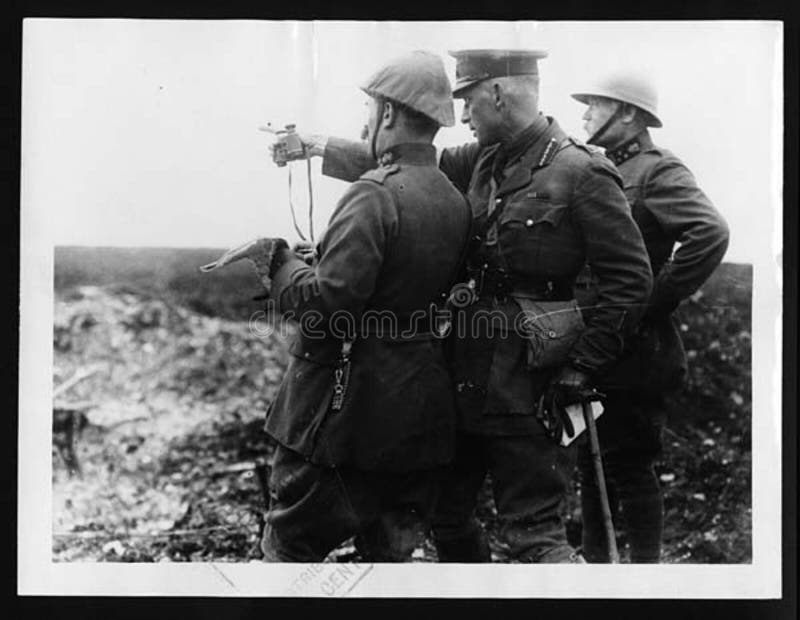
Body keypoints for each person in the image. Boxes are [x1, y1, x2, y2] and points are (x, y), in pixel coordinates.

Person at [299, 49, 654, 563]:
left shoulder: (581, 171)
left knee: (534, 533)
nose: (460, 115)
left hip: (532, 387)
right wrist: (313, 146)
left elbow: (630, 281)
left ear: (497, 93)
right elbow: (404, 161)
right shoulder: (484, 158)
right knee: (447, 516)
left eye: (466, 101)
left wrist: (582, 366)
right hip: (462, 374)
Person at [210, 50, 471, 562]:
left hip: (344, 419)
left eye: (371, 110)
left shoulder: (372, 195)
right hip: (417, 419)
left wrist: (276, 258)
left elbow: (325, 307)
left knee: (290, 549)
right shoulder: (453, 199)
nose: (367, 121)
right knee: (389, 562)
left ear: (390, 114)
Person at [571, 70, 730, 562]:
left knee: (630, 469)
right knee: (591, 468)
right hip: (596, 343)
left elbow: (710, 232)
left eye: (596, 104)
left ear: (629, 114)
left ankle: (647, 582)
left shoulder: (658, 170)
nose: (585, 113)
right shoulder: (597, 168)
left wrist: (648, 302)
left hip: (637, 352)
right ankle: (600, 578)